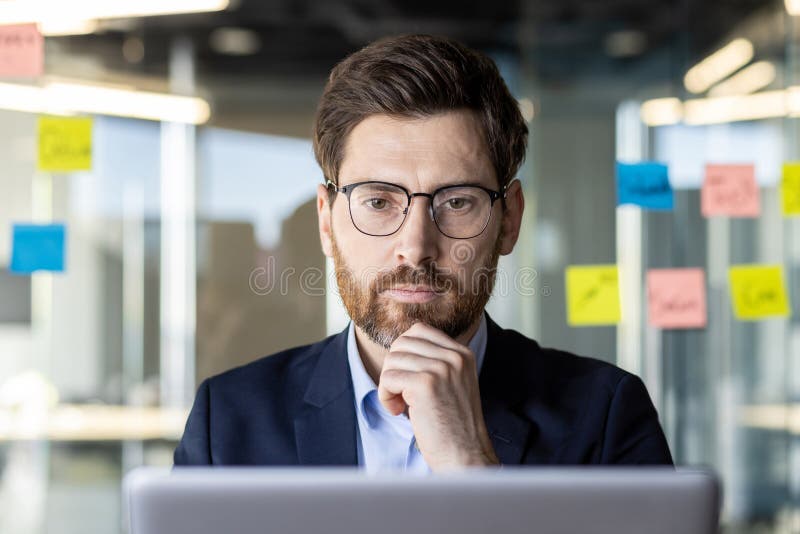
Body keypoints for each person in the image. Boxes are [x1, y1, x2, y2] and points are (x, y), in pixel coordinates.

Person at [174, 34, 673, 472]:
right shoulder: (229, 422)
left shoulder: (606, 418)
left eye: (456, 202)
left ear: (510, 221)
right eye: (377, 201)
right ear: (327, 223)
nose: (415, 247)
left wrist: (473, 470)